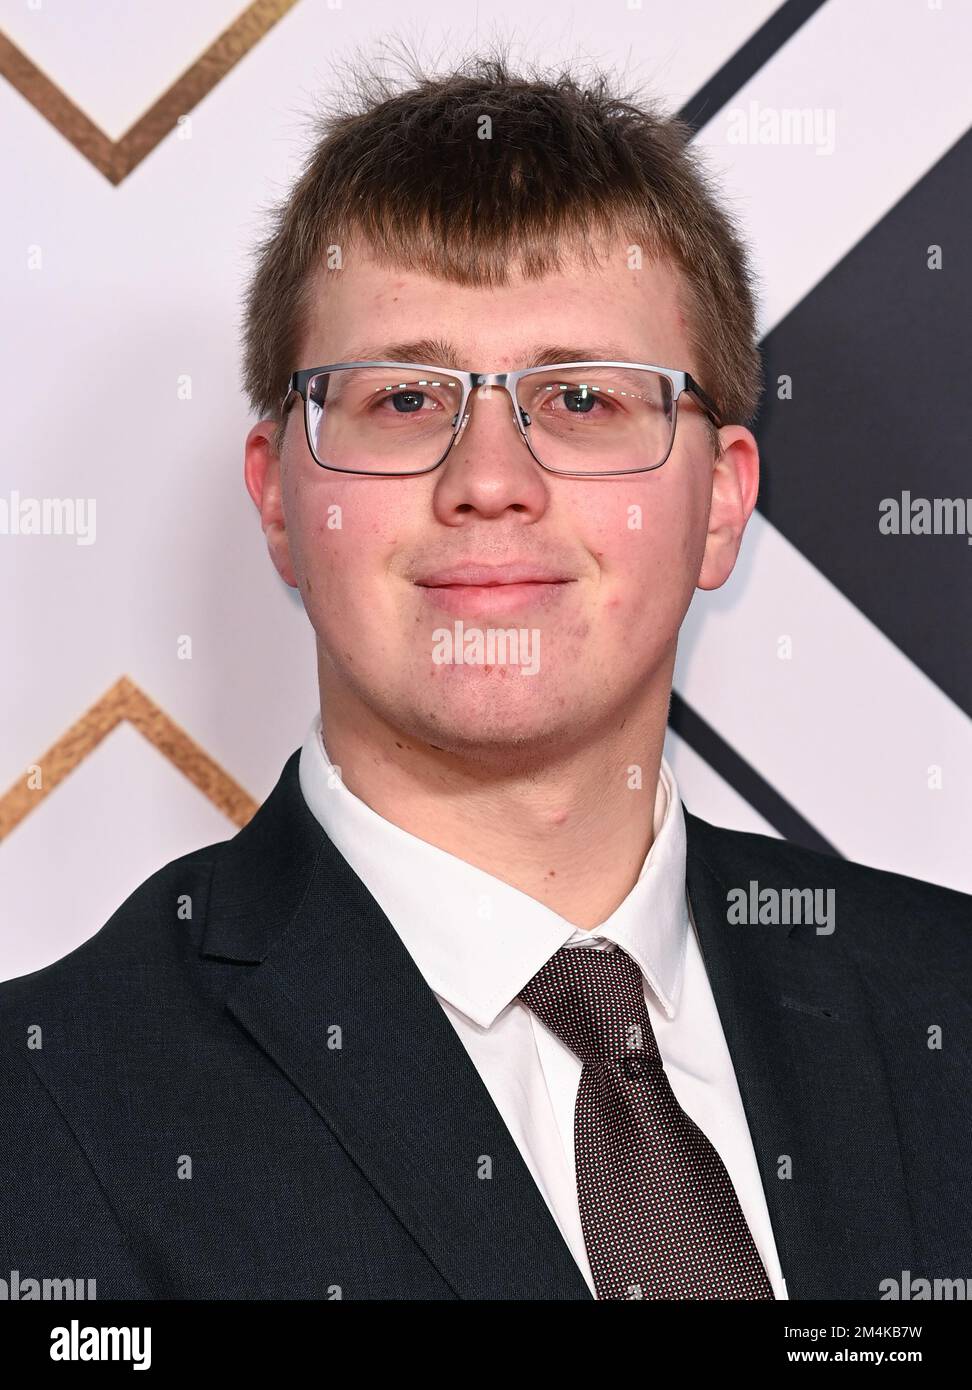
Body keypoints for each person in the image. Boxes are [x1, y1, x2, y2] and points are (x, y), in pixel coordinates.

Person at [1, 48, 969, 1303]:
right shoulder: (48, 1114)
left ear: (721, 502)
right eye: (404, 398)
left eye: (580, 396)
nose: (490, 477)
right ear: (280, 497)